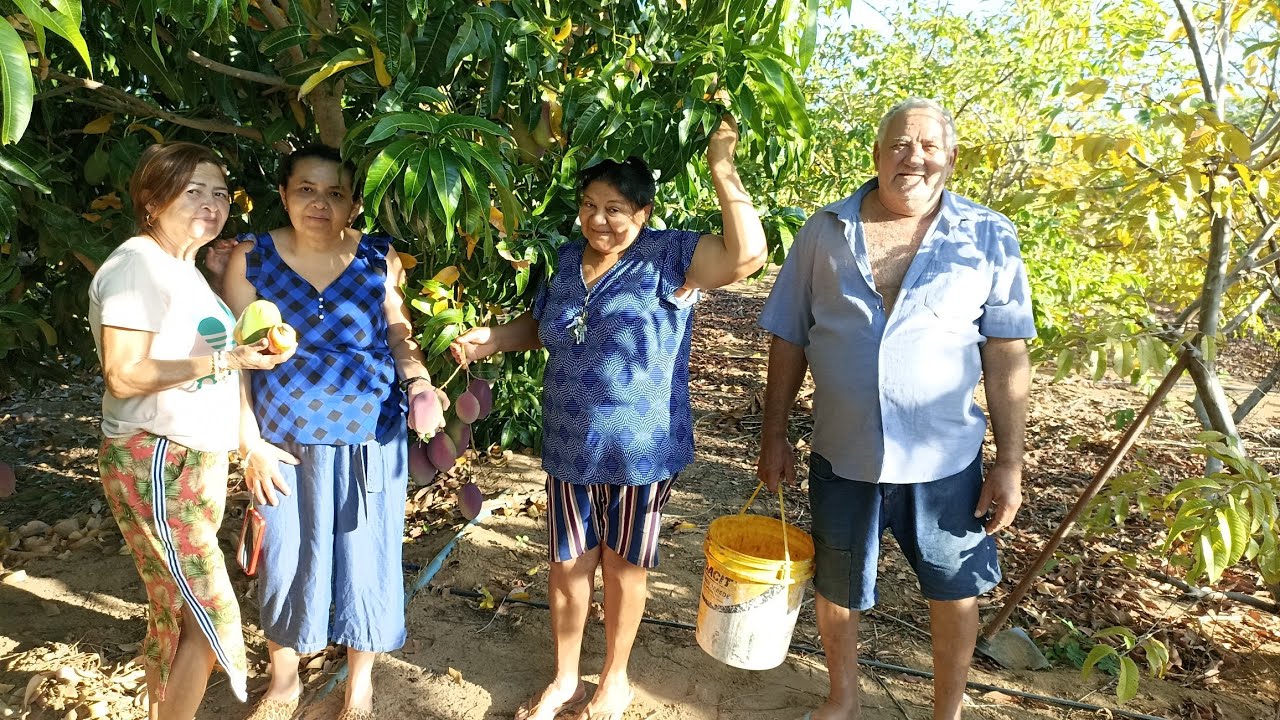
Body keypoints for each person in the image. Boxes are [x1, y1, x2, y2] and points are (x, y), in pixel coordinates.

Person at [450, 116, 766, 720]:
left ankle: (613, 680)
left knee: (624, 568)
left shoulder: (670, 256)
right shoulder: (567, 260)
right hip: (571, 444)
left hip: (640, 449)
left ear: (643, 213)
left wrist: (723, 166)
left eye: (615, 208)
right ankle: (565, 678)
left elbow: (747, 256)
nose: (599, 219)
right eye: (590, 205)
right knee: (567, 565)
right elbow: (545, 329)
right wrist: (491, 340)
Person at [755, 98, 1035, 720]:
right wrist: (774, 438)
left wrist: (1010, 462)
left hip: (946, 462)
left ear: (952, 159)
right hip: (842, 450)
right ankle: (843, 700)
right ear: (877, 155)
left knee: (955, 589)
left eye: (930, 145)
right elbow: (789, 338)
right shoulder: (822, 231)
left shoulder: (989, 235)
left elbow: (1006, 353)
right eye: (900, 145)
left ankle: (947, 713)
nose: (915, 158)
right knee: (837, 584)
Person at [221, 144, 437, 720]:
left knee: (368, 558)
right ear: (286, 195)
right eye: (306, 190)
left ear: (354, 203)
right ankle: (284, 680)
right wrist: (249, 444)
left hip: (371, 435)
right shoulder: (252, 258)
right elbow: (234, 359)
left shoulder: (377, 258)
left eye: (336, 192)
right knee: (285, 558)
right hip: (282, 442)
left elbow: (398, 332)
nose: (320, 203)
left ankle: (358, 684)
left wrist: (417, 380)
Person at [90, 142, 293, 720]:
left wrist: (246, 440)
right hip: (156, 455)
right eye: (193, 191)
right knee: (212, 617)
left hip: (189, 461)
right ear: (152, 201)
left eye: (221, 193)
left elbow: (199, 351)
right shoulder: (136, 264)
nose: (211, 203)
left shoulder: (181, 269)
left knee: (177, 611)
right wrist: (228, 361)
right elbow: (124, 375)